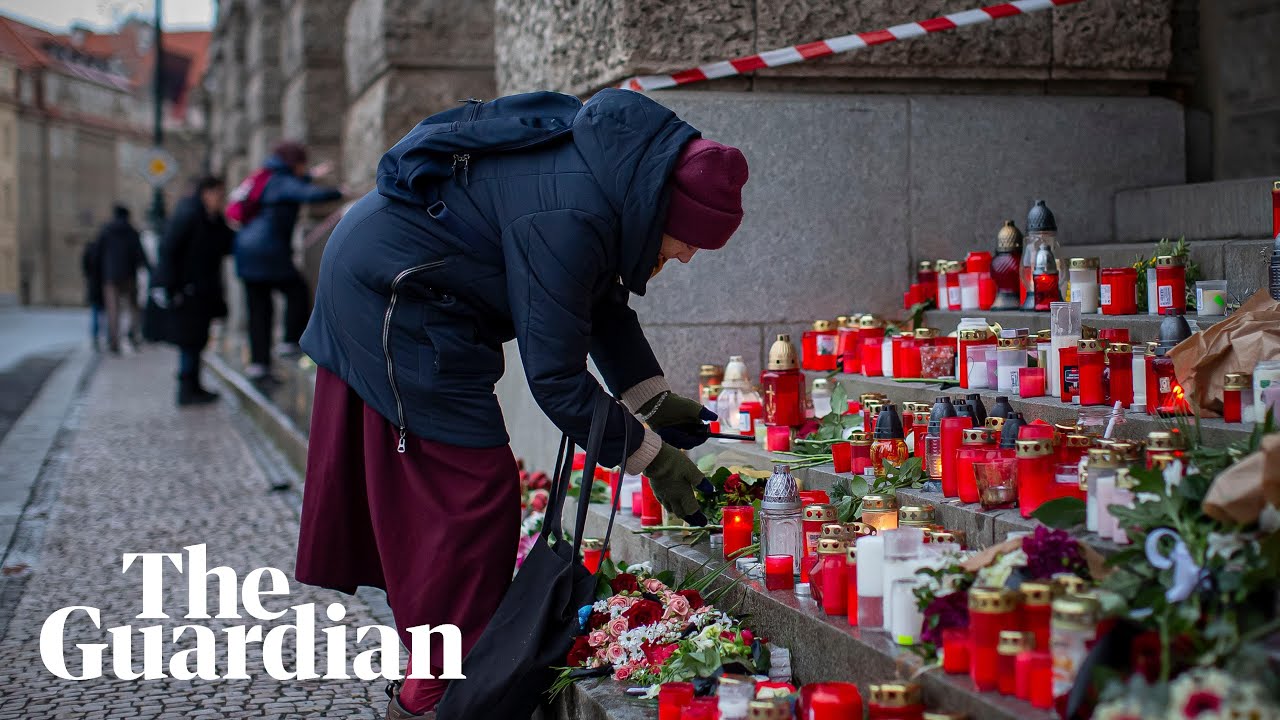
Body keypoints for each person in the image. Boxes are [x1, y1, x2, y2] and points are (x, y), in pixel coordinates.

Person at [296, 90, 748, 720]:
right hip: (392, 300)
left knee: (468, 493)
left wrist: (653, 398)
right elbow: (558, 380)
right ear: (662, 207)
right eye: (688, 241)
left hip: (419, 291)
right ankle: (435, 690)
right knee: (465, 496)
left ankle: (451, 668)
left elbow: (595, 301)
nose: (686, 256)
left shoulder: (607, 181)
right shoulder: (569, 214)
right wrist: (657, 461)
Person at [233, 141, 342, 381]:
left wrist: (311, 175)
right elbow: (306, 194)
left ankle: (259, 364)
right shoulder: (281, 180)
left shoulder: (269, 176)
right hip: (267, 250)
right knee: (297, 291)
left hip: (247, 249)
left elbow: (291, 187)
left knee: (259, 309)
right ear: (296, 163)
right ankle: (291, 343)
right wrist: (341, 192)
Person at [155, 176, 235, 406]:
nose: (221, 200)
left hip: (202, 291)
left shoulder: (210, 218)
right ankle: (187, 389)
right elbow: (169, 251)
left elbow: (226, 242)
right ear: (206, 193)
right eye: (219, 194)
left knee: (197, 340)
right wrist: (171, 288)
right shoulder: (189, 216)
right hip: (187, 291)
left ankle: (194, 386)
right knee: (190, 341)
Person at [96, 205, 148, 353]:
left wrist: (99, 274)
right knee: (133, 307)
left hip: (110, 276)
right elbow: (140, 254)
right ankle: (133, 334)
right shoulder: (132, 231)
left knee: (113, 310)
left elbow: (97, 254)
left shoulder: (106, 231)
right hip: (129, 276)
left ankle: (114, 342)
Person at [81, 236, 104, 350]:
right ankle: (107, 336)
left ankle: (95, 337)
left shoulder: (89, 250)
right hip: (104, 285)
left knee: (95, 312)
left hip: (93, 285)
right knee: (105, 313)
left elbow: (85, 268)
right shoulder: (104, 252)